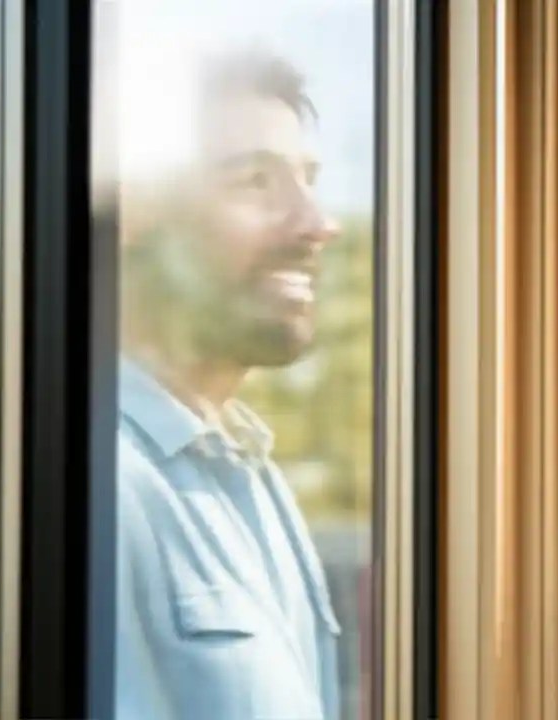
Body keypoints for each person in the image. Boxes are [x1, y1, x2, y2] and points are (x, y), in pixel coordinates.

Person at [112, 48, 343, 720]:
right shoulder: (89, 486)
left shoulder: (249, 474)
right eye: (254, 182)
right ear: (130, 211)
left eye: (307, 178)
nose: (316, 222)